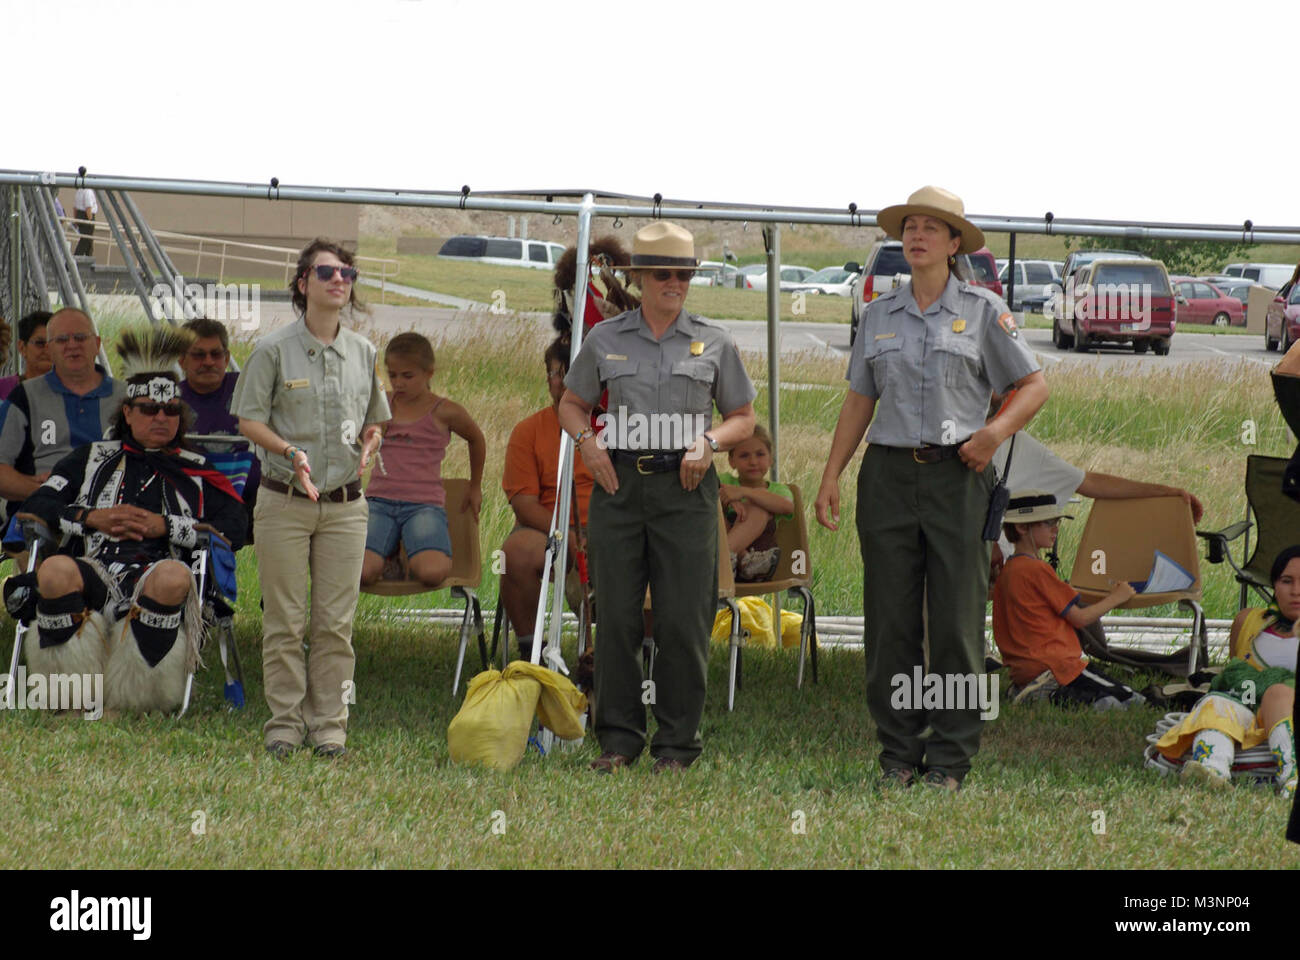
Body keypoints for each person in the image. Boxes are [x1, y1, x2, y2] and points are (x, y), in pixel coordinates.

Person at [815, 185, 1048, 792]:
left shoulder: (981, 308)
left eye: (931, 228)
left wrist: (992, 435)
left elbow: (1034, 386)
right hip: (888, 476)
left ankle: (949, 757)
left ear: (952, 244)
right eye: (909, 226)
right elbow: (860, 397)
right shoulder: (878, 314)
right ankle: (897, 751)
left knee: (956, 623)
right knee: (890, 621)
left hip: (958, 476)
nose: (916, 236)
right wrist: (831, 473)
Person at [558, 221, 756, 773]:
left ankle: (676, 745)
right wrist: (587, 445)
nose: (676, 282)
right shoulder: (606, 338)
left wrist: (710, 443)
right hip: (620, 487)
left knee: (684, 620)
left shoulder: (714, 340)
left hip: (687, 490)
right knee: (617, 617)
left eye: (685, 273)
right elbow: (571, 404)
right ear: (640, 277)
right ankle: (618, 741)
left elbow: (743, 418)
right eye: (664, 273)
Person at [10, 326, 246, 714]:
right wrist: (92, 518)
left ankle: (136, 701)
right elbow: (40, 503)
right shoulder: (90, 458)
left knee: (173, 577)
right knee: (52, 573)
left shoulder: (200, 472)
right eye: (150, 410)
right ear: (128, 413)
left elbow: (235, 527)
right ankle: (69, 699)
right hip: (93, 568)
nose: (161, 417)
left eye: (171, 410)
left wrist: (166, 527)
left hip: (158, 575)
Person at [232, 238, 389, 760]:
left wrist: (371, 440)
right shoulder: (273, 350)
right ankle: (283, 725)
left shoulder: (364, 351)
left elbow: (374, 420)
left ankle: (329, 727)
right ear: (303, 283)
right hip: (283, 502)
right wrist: (287, 449)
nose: (339, 279)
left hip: (345, 507)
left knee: (335, 624)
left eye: (346, 271)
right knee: (285, 620)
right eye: (326, 272)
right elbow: (248, 419)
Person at [1157, 545, 1299, 797]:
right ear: (1274, 586)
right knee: (1216, 702)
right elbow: (1235, 669)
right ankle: (1211, 771)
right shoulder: (1249, 621)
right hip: (1250, 708)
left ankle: (1292, 776)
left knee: (1277, 692)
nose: (1296, 591)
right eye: (1287, 581)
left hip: (1286, 708)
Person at [992, 489, 1144, 708]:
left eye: (1057, 522)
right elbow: (1080, 618)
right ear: (1023, 527)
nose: (1056, 529)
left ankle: (1033, 692)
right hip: (1056, 666)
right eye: (1048, 523)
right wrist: (1117, 597)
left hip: (1027, 669)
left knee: (1109, 699)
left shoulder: (1010, 569)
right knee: (1130, 700)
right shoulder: (1037, 569)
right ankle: (1043, 693)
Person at [360, 332, 484, 588]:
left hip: (423, 505)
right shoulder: (384, 404)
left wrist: (475, 486)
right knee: (361, 573)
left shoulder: (445, 411)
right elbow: (367, 435)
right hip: (379, 501)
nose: (399, 383)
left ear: (429, 373)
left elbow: (476, 439)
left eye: (407, 376)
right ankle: (388, 556)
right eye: (392, 375)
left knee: (432, 573)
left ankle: (406, 554)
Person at [500, 337, 595, 659]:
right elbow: (523, 503)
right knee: (515, 554)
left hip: (604, 528)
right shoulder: (528, 431)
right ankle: (531, 653)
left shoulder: (617, 426)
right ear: (547, 379)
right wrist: (565, 535)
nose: (565, 380)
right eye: (557, 372)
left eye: (574, 371)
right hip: (546, 529)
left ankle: (640, 655)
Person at [0, 308, 126, 519]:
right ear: (49, 348)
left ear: (97, 344)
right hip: (41, 521)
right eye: (61, 340)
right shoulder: (24, 397)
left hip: (114, 515)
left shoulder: (127, 398)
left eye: (80, 337)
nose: (72, 345)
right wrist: (49, 494)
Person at [178, 317, 259, 539]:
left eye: (216, 354)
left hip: (252, 500)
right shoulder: (169, 402)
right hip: (192, 500)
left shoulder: (249, 390)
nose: (209, 361)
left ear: (227, 358)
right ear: (182, 360)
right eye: (198, 355)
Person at [719, 422, 794, 583]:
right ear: (731, 461)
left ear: (771, 459)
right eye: (744, 455)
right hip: (722, 573)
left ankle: (726, 559)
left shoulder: (777, 490)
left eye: (760, 454)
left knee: (759, 507)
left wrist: (745, 493)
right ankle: (738, 558)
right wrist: (726, 502)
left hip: (759, 567)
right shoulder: (725, 481)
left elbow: (787, 507)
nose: (753, 461)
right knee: (712, 508)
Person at [0, 310, 53, 401]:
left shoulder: (73, 392)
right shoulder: (3, 389)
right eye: (40, 343)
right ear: (22, 347)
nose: (47, 349)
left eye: (53, 343)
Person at [73, 186, 97, 258]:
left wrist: (76, 220)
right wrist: (90, 221)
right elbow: (88, 207)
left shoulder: (79, 191)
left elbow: (75, 208)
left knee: (88, 240)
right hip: (87, 216)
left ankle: (88, 257)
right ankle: (77, 258)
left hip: (80, 214)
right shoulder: (88, 191)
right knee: (85, 240)